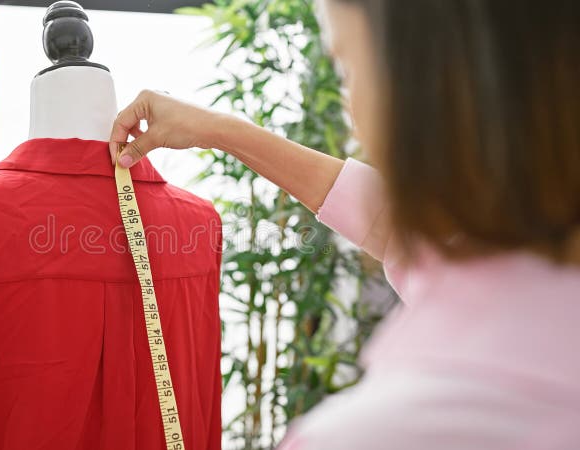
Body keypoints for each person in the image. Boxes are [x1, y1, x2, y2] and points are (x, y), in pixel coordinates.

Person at [107, 0, 580, 449]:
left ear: (422, 85)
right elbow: (394, 223)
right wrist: (220, 129)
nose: (352, 113)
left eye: (347, 69)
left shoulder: (373, 435)